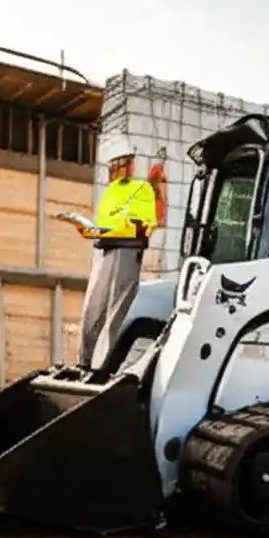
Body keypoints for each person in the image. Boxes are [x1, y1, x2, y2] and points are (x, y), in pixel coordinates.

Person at [74, 135, 159, 370]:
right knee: (94, 307)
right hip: (107, 250)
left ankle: (104, 367)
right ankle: (85, 363)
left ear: (128, 164)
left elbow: (141, 224)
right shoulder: (110, 192)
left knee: (117, 309)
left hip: (127, 251)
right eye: (112, 167)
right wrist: (90, 231)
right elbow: (106, 223)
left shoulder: (141, 188)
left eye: (118, 165)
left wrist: (111, 230)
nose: (114, 171)